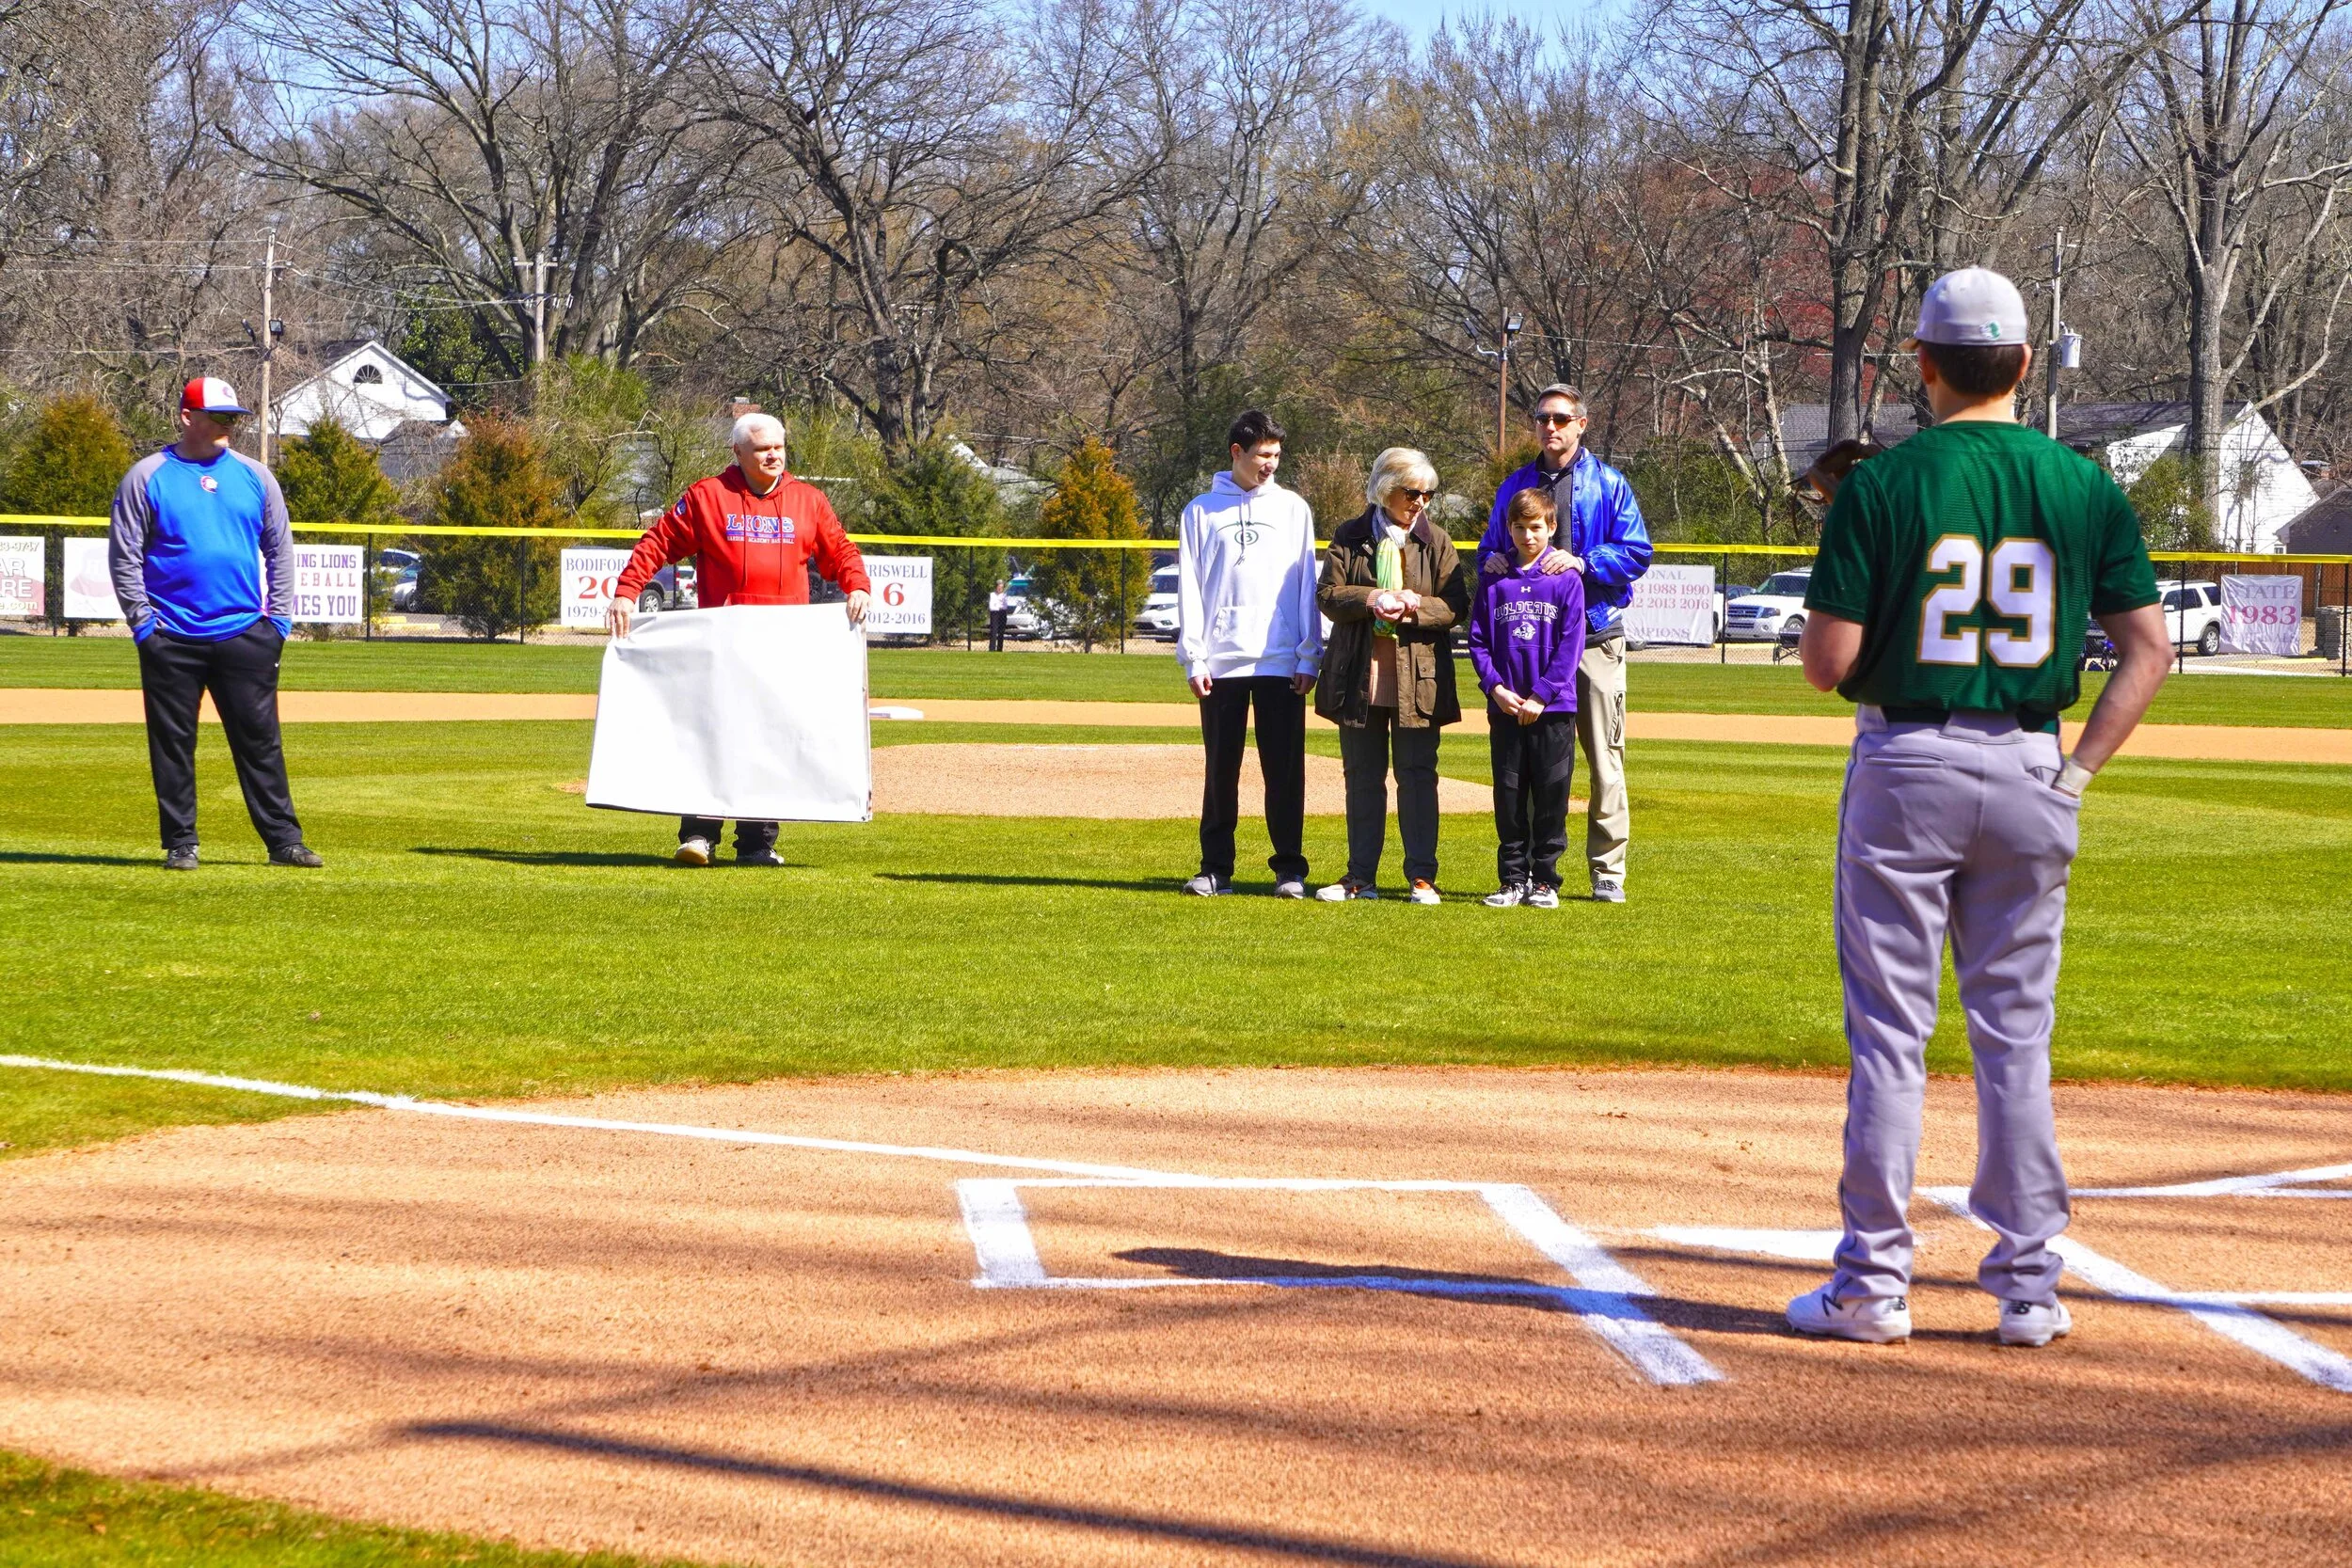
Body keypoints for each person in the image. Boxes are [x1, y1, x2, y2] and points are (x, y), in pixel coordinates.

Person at [1783, 267, 2170, 1349]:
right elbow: (2150, 649)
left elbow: (1828, 664)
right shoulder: (2081, 484)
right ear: (2025, 364)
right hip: (2034, 762)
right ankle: (2030, 1289)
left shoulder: (1887, 482)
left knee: (1892, 1038)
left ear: (1922, 362)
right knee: (2014, 1040)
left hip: (1909, 762)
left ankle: (1871, 1286)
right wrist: (2080, 767)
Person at [609, 411, 871, 867]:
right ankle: (698, 836)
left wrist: (859, 585)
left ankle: (756, 844)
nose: (773, 455)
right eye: (762, 448)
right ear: (738, 453)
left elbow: (841, 550)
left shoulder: (808, 501)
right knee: (713, 735)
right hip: (723, 646)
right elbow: (659, 542)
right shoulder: (708, 497)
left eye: (779, 447)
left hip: (783, 649)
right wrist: (628, 591)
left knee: (771, 742)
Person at [108, 377, 322, 871]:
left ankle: (284, 842)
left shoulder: (255, 476)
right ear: (188, 417)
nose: (231, 425)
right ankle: (182, 843)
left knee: (260, 742)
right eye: (221, 416)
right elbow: (125, 558)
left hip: (246, 633)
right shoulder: (147, 476)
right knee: (172, 745)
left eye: (235, 417)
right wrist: (144, 626)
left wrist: (280, 620)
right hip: (172, 637)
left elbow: (280, 549)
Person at [1480, 386, 1651, 903]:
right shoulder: (1516, 484)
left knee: (1604, 758)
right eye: (1542, 419)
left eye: (1560, 418)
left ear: (1582, 423)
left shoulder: (1609, 483)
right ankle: (1525, 876)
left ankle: (1607, 869)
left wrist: (1584, 561)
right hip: (1528, 647)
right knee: (1527, 768)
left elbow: (1637, 551)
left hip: (1595, 634)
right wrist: (1491, 559)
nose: (1550, 428)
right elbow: (1491, 548)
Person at [1177, 409, 1321, 897]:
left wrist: (1309, 655)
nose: (1270, 465)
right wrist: (1194, 657)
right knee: (1221, 772)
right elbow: (1191, 590)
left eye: (1277, 456)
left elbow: (1306, 586)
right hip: (1220, 663)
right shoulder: (1200, 510)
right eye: (1263, 455)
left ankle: (1290, 870)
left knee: (1284, 771)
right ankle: (1216, 868)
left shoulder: (1294, 509)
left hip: (1281, 661)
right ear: (1236, 452)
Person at [1313, 447, 1467, 903]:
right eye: (1412, 492)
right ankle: (1360, 877)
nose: (1421, 501)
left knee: (1418, 776)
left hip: (1418, 680)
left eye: (1428, 494)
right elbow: (1328, 595)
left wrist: (1416, 605)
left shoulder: (1436, 540)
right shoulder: (1350, 534)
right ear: (1386, 489)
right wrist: (1372, 599)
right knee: (1362, 776)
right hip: (1359, 676)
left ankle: (1422, 877)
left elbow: (1457, 606)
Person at [1469, 487, 1585, 909]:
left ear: (1551, 528)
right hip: (1505, 705)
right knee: (1509, 795)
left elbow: (1571, 644)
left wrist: (1542, 694)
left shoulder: (1565, 580)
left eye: (1536, 527)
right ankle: (1512, 879)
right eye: (1519, 527)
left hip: (1552, 708)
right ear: (1509, 528)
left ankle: (1545, 881)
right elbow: (1478, 641)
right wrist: (1495, 688)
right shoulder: (1495, 578)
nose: (1528, 536)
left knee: (1552, 796)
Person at [987, 579, 1009, 652]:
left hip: (1002, 614)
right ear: (996, 587)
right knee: (993, 631)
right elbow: (991, 606)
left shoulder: (1004, 595)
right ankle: (992, 648)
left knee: (1001, 632)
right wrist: (998, 606)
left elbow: (1005, 606)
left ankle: (1000, 649)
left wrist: (997, 605)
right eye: (999, 587)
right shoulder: (992, 595)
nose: (1000, 589)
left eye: (1001, 588)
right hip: (994, 614)